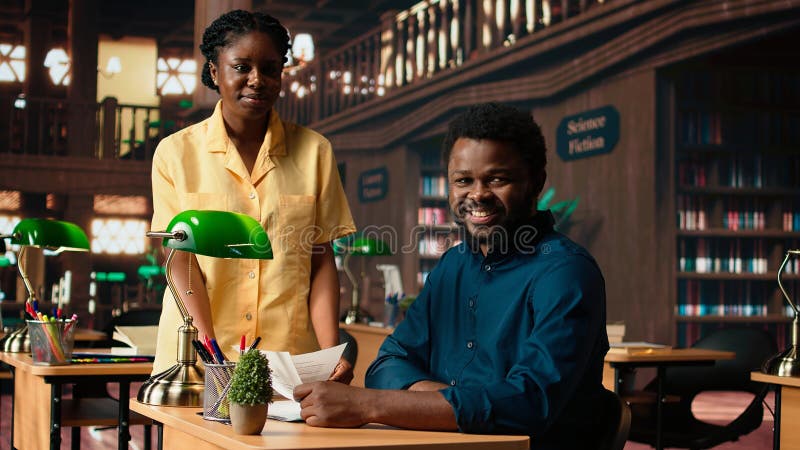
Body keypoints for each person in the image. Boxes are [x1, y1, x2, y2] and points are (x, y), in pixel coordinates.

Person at [293, 103, 609, 448]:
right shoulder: (452, 265)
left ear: (536, 181)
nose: (477, 194)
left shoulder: (566, 272)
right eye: (463, 180)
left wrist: (368, 404)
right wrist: (448, 401)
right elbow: (387, 363)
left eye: (497, 179)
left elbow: (527, 403)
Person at [150, 9, 356, 382]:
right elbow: (179, 258)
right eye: (242, 67)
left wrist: (329, 355)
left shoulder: (315, 152)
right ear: (215, 71)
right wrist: (210, 351)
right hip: (195, 358)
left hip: (288, 359)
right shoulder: (175, 153)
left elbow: (322, 261)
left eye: (270, 68)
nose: (257, 80)